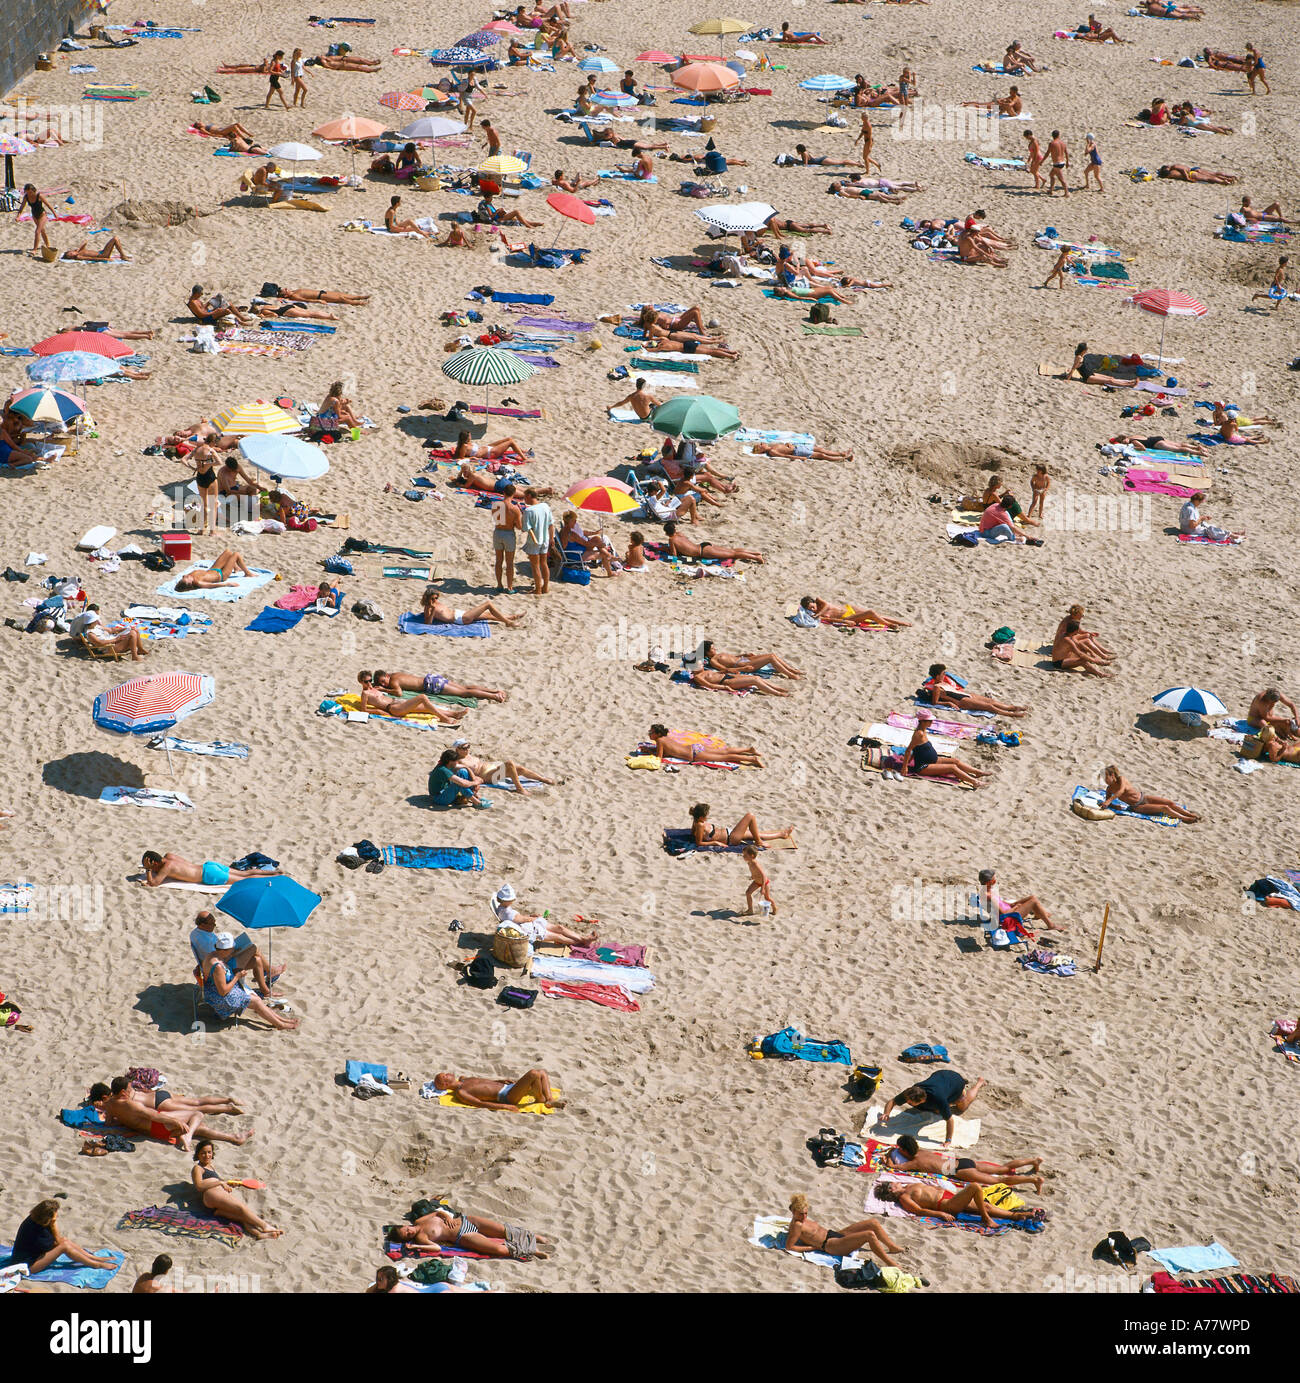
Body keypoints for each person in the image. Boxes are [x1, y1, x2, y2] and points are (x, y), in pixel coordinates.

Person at [88, 1082, 249, 1152]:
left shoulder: (115, 1106)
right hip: (159, 1097)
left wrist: (101, 1110)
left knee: (198, 1111)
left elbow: (110, 1123)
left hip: (160, 1110)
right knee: (197, 1105)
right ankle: (228, 1104)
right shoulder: (124, 1097)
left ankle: (228, 1112)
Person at [200, 934, 301, 1028]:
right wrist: (237, 977)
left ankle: (282, 1021)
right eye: (231, 949)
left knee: (255, 998)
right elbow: (223, 991)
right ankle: (280, 1024)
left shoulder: (214, 955)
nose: (233, 950)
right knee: (256, 1001)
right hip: (219, 997)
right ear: (224, 950)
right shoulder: (217, 966)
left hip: (216, 989)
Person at [888, 1135, 1045, 1192]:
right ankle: (1033, 1161)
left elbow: (894, 1167)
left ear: (904, 1150)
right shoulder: (921, 1151)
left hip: (959, 1171)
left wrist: (888, 1156)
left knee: (1000, 1180)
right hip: (961, 1161)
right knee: (1003, 1168)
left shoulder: (915, 1162)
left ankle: (1034, 1180)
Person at [191, 1141, 282, 1239]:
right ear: (198, 1154)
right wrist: (220, 1183)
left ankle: (259, 1234)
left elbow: (218, 1182)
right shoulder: (197, 1168)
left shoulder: (211, 1166)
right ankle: (265, 1226)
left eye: (209, 1152)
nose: (207, 1155)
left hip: (215, 1207)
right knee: (241, 1208)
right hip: (211, 1196)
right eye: (203, 1153)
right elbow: (199, 1186)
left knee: (242, 1217)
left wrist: (228, 1182)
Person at [190, 908, 285, 1000]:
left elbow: (218, 953)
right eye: (212, 924)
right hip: (222, 966)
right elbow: (219, 958)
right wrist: (233, 952)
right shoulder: (205, 941)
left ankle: (266, 990)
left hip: (218, 961)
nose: (214, 925)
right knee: (253, 948)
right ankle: (270, 970)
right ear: (202, 924)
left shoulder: (195, 933)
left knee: (257, 960)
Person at [390, 1206, 550, 1259]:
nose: (409, 1232)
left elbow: (437, 1212)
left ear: (404, 1226)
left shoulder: (418, 1221)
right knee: (499, 1249)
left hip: (468, 1221)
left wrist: (447, 1216)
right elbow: (437, 1249)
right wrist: (415, 1246)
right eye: (407, 1235)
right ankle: (531, 1250)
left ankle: (533, 1237)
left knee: (503, 1230)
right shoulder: (421, 1237)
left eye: (406, 1230)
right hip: (464, 1236)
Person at [785, 1194, 903, 1266]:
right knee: (869, 1235)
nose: (804, 1216)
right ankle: (890, 1263)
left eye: (806, 1213)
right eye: (801, 1214)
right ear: (794, 1212)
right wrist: (812, 1248)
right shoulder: (797, 1225)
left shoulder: (801, 1219)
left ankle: (891, 1247)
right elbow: (790, 1247)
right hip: (831, 1246)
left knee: (873, 1223)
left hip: (833, 1234)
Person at [5, 1200, 116, 1275]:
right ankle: (96, 1264)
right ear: (47, 1218)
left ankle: (94, 1258)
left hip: (33, 1257)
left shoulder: (35, 1219)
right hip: (27, 1266)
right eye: (55, 1216)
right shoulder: (36, 1230)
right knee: (64, 1246)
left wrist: (52, 1224)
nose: (57, 1216)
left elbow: (57, 1240)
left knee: (65, 1241)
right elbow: (57, 1242)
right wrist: (53, 1224)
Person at [875, 1180, 1045, 1228]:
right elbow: (919, 1211)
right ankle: (986, 1219)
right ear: (891, 1191)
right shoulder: (904, 1197)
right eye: (892, 1184)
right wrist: (940, 1214)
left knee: (984, 1205)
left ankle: (1019, 1215)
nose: (895, 1183)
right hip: (946, 1204)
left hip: (949, 1196)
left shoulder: (908, 1185)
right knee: (975, 1187)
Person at [880, 1070, 986, 1146]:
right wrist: (886, 1113)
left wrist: (948, 1140)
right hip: (940, 1075)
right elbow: (892, 1101)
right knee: (936, 1110)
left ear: (921, 1100)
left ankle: (978, 1083)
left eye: (910, 1102)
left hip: (955, 1082)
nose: (907, 1103)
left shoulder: (938, 1098)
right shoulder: (912, 1091)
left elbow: (950, 1120)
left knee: (961, 1107)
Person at [901, 709, 987, 787]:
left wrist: (909, 761)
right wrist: (905, 767)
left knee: (955, 761)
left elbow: (916, 749)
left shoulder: (923, 730)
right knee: (952, 767)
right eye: (929, 720)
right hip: (923, 767)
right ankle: (974, 782)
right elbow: (909, 750)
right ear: (923, 721)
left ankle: (976, 772)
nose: (932, 722)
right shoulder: (918, 734)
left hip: (931, 761)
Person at [492, 883, 591, 944]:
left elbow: (520, 918)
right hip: (531, 930)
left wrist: (532, 917)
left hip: (531, 924)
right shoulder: (507, 913)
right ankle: (581, 942)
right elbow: (522, 919)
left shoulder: (503, 908)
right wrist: (534, 918)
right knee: (558, 936)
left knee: (560, 928)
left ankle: (582, 939)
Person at [108, 1074, 244, 1118]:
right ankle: (227, 1099)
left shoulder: (122, 1100)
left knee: (196, 1109)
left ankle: (227, 1109)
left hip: (160, 1104)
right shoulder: (131, 1090)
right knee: (197, 1101)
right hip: (161, 1094)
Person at [356, 670, 467, 723]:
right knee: (422, 697)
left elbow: (384, 678)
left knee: (426, 707)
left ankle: (454, 714)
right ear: (361, 682)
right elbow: (363, 709)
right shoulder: (365, 694)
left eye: (370, 680)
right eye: (366, 681)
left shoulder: (374, 687)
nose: (369, 683)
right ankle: (443, 718)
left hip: (398, 702)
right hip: (393, 708)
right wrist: (379, 712)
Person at [1100, 764, 1201, 822]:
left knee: (1169, 803)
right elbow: (1107, 802)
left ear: (1112, 775)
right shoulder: (1109, 789)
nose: (1105, 780)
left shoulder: (1121, 779)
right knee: (1164, 808)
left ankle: (1189, 814)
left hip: (1145, 798)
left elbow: (1120, 791)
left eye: (1106, 777)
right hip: (1137, 806)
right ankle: (1185, 818)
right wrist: (1114, 805)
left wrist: (1109, 801)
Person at [919, 664, 1028, 717]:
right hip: (961, 701)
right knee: (989, 707)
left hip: (964, 694)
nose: (945, 675)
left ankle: (1013, 708)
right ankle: (1011, 714)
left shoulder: (944, 681)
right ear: (937, 676)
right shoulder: (937, 687)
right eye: (943, 673)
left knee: (991, 701)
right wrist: (948, 703)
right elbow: (934, 702)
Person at [978, 867, 1062, 933]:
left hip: (1009, 909)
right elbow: (1003, 914)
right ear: (988, 882)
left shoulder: (986, 890)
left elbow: (1001, 904)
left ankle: (1040, 914)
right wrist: (1015, 907)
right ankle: (1050, 925)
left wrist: (1013, 904)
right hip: (1008, 917)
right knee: (1034, 901)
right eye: (993, 878)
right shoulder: (988, 896)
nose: (995, 879)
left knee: (1032, 897)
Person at [431, 1069, 565, 1111]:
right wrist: (505, 1106)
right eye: (444, 1075)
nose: (447, 1073)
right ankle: (544, 1099)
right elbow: (480, 1103)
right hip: (506, 1096)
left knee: (541, 1072)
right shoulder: (461, 1092)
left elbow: (484, 1082)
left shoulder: (463, 1078)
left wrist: (499, 1080)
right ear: (444, 1084)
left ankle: (547, 1100)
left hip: (507, 1087)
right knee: (534, 1074)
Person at [453, 743, 556, 796]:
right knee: (509, 763)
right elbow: (454, 769)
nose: (467, 749)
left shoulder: (468, 755)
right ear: (457, 749)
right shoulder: (459, 761)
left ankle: (542, 779)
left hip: (492, 769)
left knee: (519, 769)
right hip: (488, 777)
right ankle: (519, 788)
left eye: (468, 747)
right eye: (464, 748)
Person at [140, 851, 278, 889]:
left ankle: (274, 879)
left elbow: (154, 883)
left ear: (155, 862)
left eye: (152, 866)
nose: (153, 869)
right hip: (208, 866)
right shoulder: (169, 857)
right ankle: (276, 873)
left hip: (208, 875)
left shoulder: (166, 868)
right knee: (245, 873)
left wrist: (147, 870)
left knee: (244, 880)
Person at [689, 802, 793, 850]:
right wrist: (715, 842)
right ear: (701, 817)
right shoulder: (700, 825)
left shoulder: (696, 822)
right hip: (731, 839)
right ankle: (759, 842)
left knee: (756, 833)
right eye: (706, 815)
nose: (708, 816)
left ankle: (781, 834)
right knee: (750, 816)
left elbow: (692, 833)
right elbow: (699, 843)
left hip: (730, 833)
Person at [648, 724, 764, 766]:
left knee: (725, 758)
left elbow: (659, 757)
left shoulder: (659, 741)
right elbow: (670, 750)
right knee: (724, 751)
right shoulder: (665, 737)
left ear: (657, 734)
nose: (649, 734)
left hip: (694, 754)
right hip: (695, 746)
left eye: (651, 732)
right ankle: (749, 749)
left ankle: (752, 759)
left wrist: (650, 753)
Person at [375, 669, 506, 704]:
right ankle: (495, 691)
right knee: (464, 687)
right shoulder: (395, 674)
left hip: (432, 685)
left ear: (387, 676)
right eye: (381, 683)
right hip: (432, 678)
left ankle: (494, 696)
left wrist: (384, 690)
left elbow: (398, 693)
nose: (383, 684)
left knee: (464, 693)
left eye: (383, 681)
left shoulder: (393, 682)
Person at [420, 583, 524, 628]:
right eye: (433, 598)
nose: (435, 600)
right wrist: (433, 611)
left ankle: (512, 617)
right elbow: (427, 623)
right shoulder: (428, 608)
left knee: (487, 614)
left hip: (460, 614)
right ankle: (508, 622)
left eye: (436, 598)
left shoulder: (435, 603)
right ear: (427, 598)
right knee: (488, 604)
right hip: (461, 619)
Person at [663, 521, 764, 564]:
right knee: (731, 551)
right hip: (703, 545)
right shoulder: (679, 534)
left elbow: (674, 554)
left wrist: (666, 549)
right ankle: (754, 553)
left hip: (703, 552)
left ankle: (756, 557)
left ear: (667, 533)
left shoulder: (672, 540)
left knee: (732, 554)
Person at [73, 606, 150, 660]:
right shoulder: (90, 633)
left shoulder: (96, 626)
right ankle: (134, 656)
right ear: (91, 621)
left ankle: (140, 649)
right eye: (96, 619)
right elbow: (100, 643)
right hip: (109, 648)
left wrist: (126, 628)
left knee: (134, 630)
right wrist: (116, 639)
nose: (97, 621)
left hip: (113, 640)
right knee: (132, 634)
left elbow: (111, 630)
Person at [702, 640, 803, 679]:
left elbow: (732, 658)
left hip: (744, 659)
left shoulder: (719, 654)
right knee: (770, 658)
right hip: (742, 664)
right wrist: (743, 669)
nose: (715, 649)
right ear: (707, 652)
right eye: (712, 648)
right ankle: (791, 675)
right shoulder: (713, 661)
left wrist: (744, 654)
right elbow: (725, 669)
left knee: (772, 654)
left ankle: (792, 670)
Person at [522, 489, 555, 595]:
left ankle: (538, 589)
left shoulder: (528, 511)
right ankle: (545, 587)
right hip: (545, 539)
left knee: (535, 565)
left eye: (525, 497)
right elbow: (551, 524)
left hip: (534, 541)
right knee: (544, 563)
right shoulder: (545, 506)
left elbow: (526, 528)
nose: (524, 499)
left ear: (529, 496)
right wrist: (551, 538)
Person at [1178, 492, 1243, 542]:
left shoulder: (1187, 504)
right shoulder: (1191, 509)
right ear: (1197, 501)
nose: (1200, 504)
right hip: (1189, 530)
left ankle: (1231, 533)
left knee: (1211, 526)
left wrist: (1203, 518)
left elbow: (1190, 519)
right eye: (1200, 502)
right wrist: (1201, 519)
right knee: (1212, 530)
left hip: (1183, 527)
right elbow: (1192, 526)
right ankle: (1233, 535)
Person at [16, 184, 55, 255]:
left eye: (30, 192)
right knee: (42, 231)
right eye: (27, 192)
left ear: (33, 191)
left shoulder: (39, 196)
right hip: (34, 216)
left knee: (37, 232)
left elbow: (48, 205)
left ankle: (34, 250)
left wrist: (55, 214)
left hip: (42, 215)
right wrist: (18, 216)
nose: (29, 194)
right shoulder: (26, 197)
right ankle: (48, 245)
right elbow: (22, 207)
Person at [187, 286, 252, 326]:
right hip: (206, 318)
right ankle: (241, 322)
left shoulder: (196, 298)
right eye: (201, 293)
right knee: (227, 311)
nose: (202, 294)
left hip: (208, 313)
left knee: (229, 304)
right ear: (196, 293)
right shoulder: (193, 303)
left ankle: (242, 317)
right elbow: (201, 315)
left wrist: (210, 302)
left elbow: (203, 308)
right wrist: (214, 312)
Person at [453, 428, 528, 462]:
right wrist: (472, 458)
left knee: (509, 439)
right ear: (466, 437)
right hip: (490, 453)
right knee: (511, 442)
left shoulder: (467, 443)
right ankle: (524, 458)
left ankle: (522, 451)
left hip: (488, 447)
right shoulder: (464, 446)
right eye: (469, 436)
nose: (471, 436)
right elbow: (461, 458)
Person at [260, 283, 369, 304]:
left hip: (322, 292)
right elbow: (305, 300)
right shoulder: (293, 296)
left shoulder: (293, 292)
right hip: (320, 295)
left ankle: (359, 297)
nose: (286, 288)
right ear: (285, 295)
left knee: (343, 294)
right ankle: (359, 303)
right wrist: (318, 300)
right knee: (341, 298)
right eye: (284, 290)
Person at [61, 236, 132, 262]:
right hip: (102, 255)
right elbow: (90, 258)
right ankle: (123, 256)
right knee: (115, 239)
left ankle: (123, 254)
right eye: (70, 257)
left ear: (72, 251)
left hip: (101, 252)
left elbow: (85, 241)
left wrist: (79, 249)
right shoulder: (78, 256)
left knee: (116, 239)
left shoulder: (80, 251)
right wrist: (104, 259)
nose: (72, 255)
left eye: (70, 253)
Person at [1046, 130, 1069, 197]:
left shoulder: (1052, 143)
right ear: (1059, 135)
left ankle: (1066, 192)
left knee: (1061, 178)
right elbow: (1066, 153)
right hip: (1062, 162)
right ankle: (1051, 189)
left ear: (1052, 136)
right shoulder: (1063, 143)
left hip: (1057, 163)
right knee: (1051, 175)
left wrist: (1042, 161)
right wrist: (1067, 162)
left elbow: (1047, 153)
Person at [1157, 165, 1238, 184]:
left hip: (1191, 174)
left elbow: (1182, 170)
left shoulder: (1173, 170)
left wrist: (1187, 179)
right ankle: (1228, 177)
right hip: (1193, 169)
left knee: (1208, 178)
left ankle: (1224, 181)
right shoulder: (1173, 167)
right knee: (1213, 174)